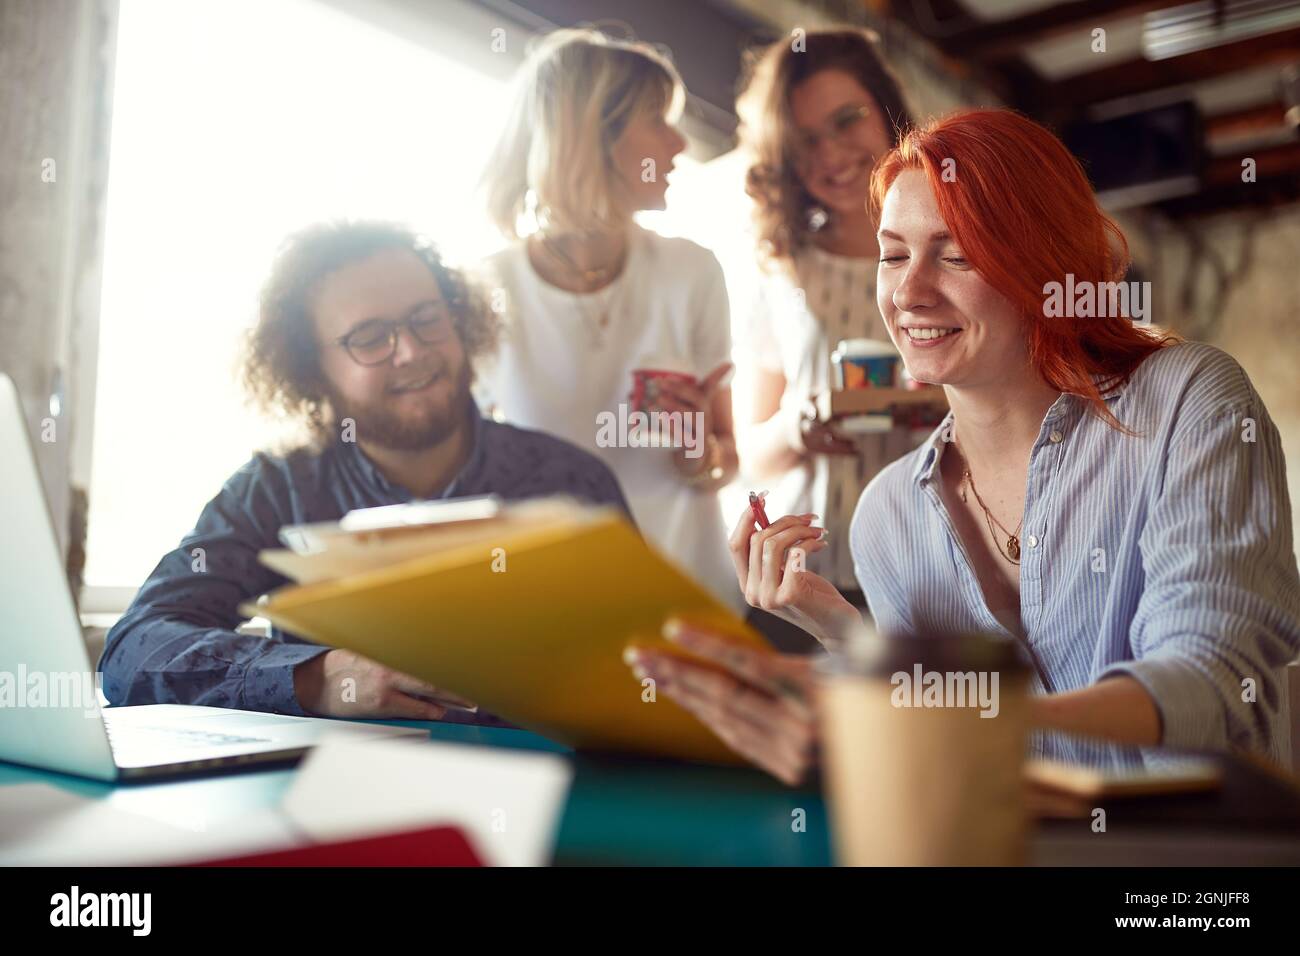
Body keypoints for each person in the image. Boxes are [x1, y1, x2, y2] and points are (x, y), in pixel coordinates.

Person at [626, 109, 1300, 783]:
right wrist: (844, 635)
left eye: (956, 255)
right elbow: (951, 757)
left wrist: (971, 715)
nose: (911, 292)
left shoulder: (1189, 401)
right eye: (892, 255)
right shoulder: (887, 516)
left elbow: (1216, 679)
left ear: (1044, 261)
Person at [101, 220, 631, 722]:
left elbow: (647, 675)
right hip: (339, 796)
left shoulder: (571, 481)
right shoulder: (275, 490)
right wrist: (317, 678)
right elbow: (134, 649)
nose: (411, 352)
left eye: (427, 318)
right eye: (370, 337)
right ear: (312, 369)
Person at [475, 28, 743, 610]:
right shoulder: (488, 290)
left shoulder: (691, 270)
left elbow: (727, 457)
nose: (677, 144)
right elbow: (460, 484)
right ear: (590, 136)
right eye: (657, 119)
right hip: (551, 611)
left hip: (692, 605)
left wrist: (698, 452)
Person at [733, 27, 923, 606]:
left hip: (933, 566)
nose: (832, 156)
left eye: (846, 121)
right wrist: (799, 424)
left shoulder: (964, 249)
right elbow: (750, 452)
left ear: (888, 114)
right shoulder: (781, 270)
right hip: (805, 579)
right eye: (806, 141)